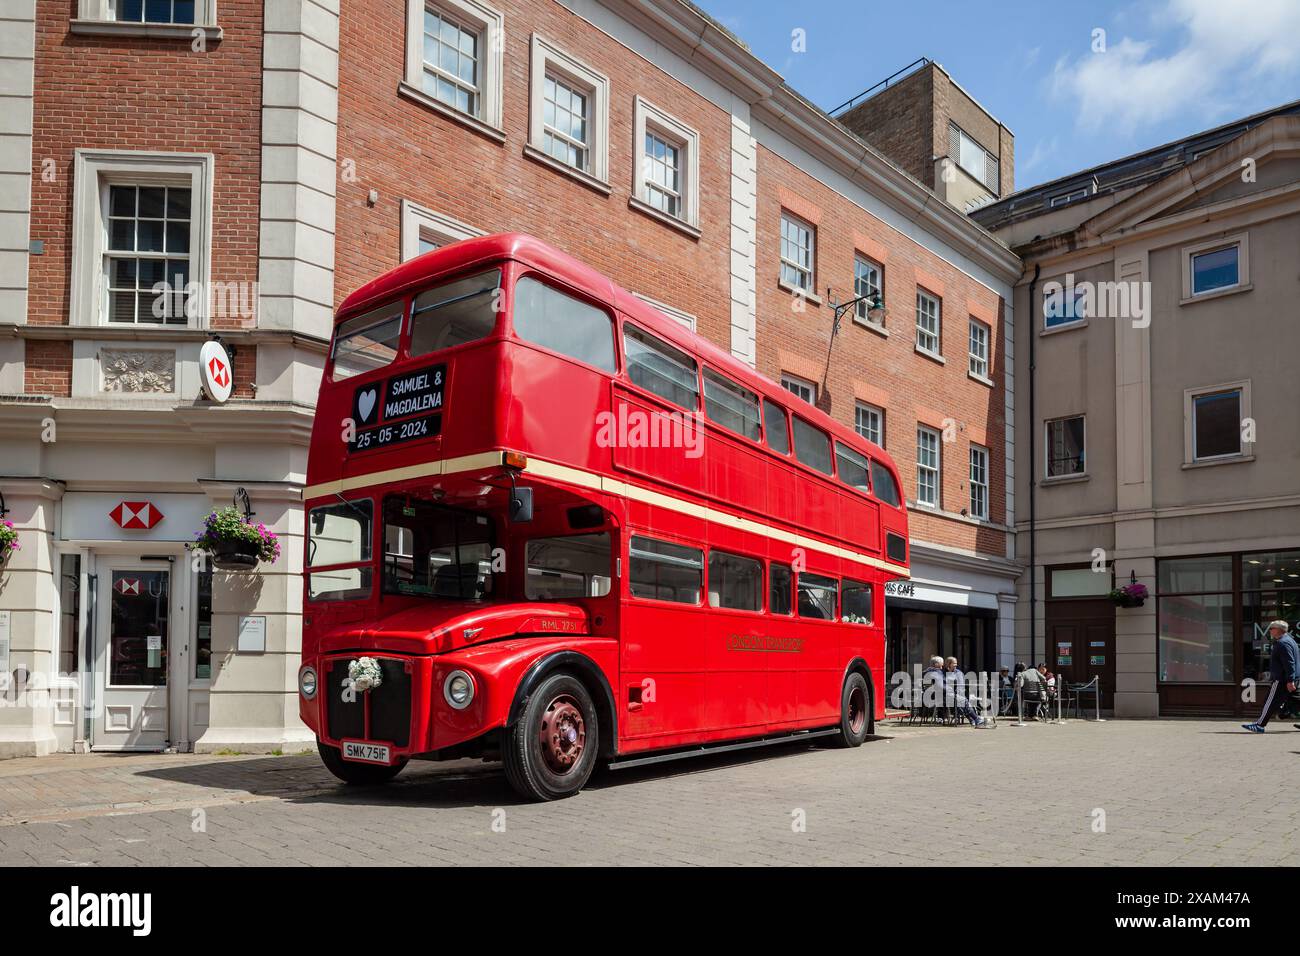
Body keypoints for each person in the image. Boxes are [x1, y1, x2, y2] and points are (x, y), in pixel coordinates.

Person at [1243, 620, 1299, 733]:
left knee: (1270, 701)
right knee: (1296, 700)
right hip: (1290, 678)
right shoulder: (1289, 640)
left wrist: (1290, 680)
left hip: (1282, 679)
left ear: (1278, 630)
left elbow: (1289, 663)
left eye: (1271, 628)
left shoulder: (1283, 643)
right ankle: (1284, 712)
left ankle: (1259, 725)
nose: (1270, 631)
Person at [943, 655, 986, 727]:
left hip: (958, 694)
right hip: (945, 695)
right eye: (954, 663)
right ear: (948, 664)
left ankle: (974, 719)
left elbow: (961, 685)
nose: (956, 665)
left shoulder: (958, 672)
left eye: (956, 663)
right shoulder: (942, 673)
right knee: (963, 701)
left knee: (961, 701)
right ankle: (975, 719)